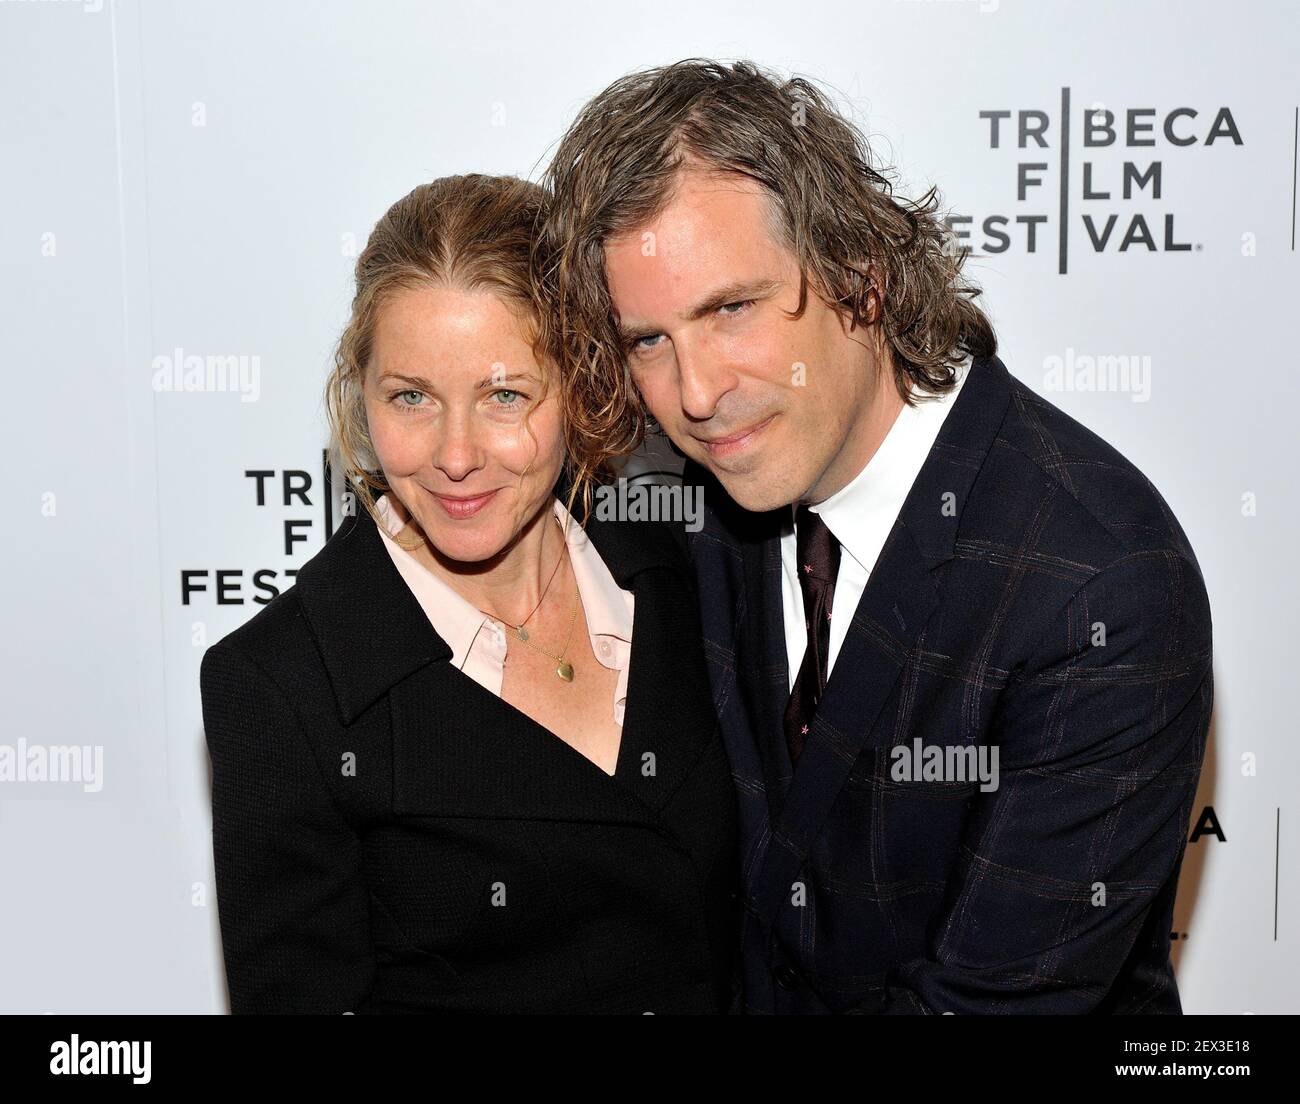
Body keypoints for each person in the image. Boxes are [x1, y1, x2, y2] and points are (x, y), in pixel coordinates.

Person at [539, 59, 1213, 1014]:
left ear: (860, 276)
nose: (694, 393)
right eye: (648, 339)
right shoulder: (710, 499)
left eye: (730, 309)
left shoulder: (1100, 585)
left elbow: (986, 1008)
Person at [199, 174, 739, 1013]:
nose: (456, 456)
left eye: (504, 396)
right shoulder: (282, 687)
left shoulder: (686, 568)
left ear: (582, 386)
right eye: (411, 397)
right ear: (360, 394)